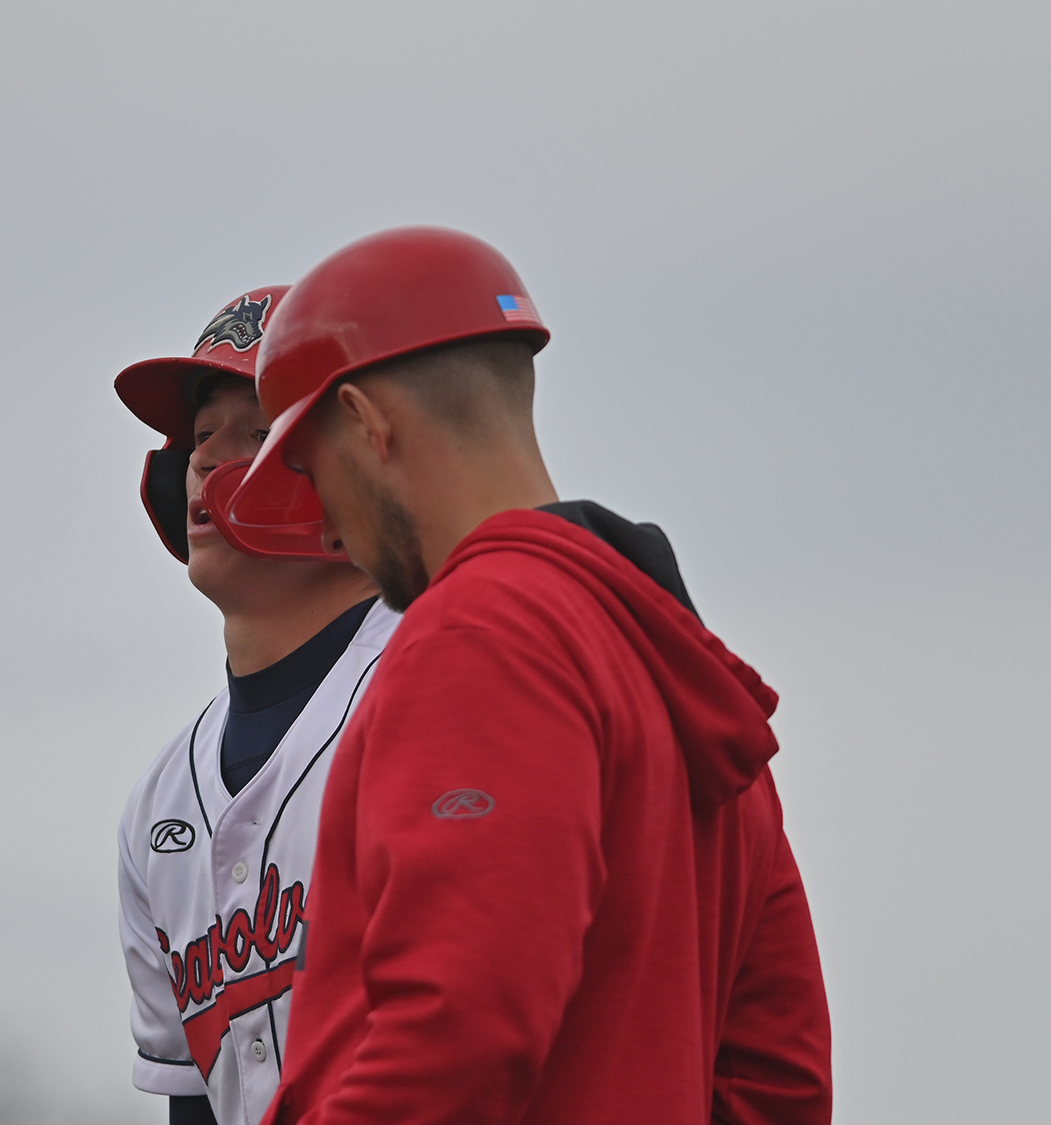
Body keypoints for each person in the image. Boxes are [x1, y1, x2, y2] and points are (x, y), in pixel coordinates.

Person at [222, 228, 833, 1125]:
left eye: (312, 471)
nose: (323, 532)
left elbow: (459, 1023)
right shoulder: (677, 668)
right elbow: (781, 1075)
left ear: (365, 421)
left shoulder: (479, 634)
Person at [113, 286, 401, 1125]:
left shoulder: (429, 689)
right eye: (200, 438)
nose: (209, 461)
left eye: (258, 432)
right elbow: (196, 1101)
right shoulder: (158, 805)